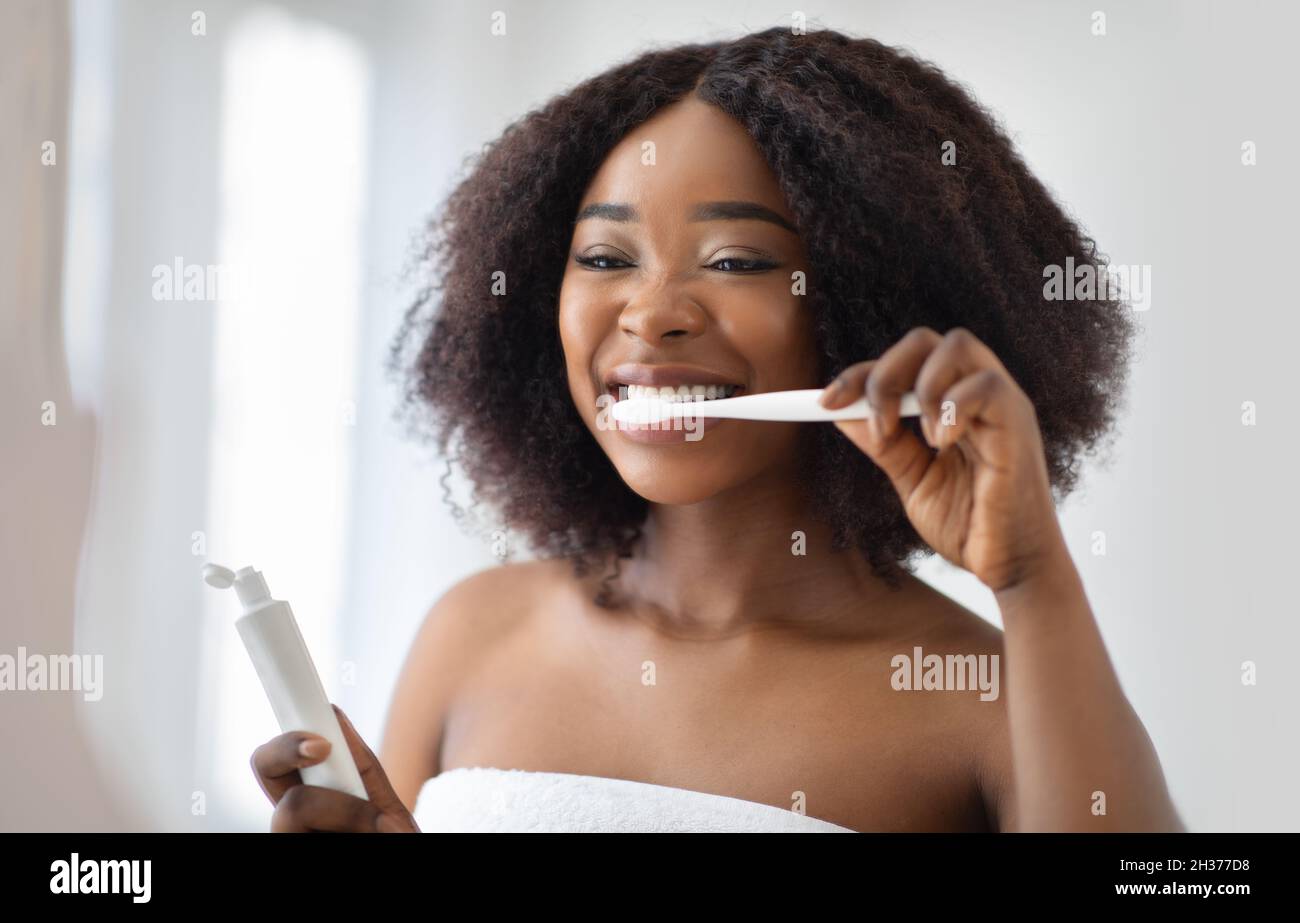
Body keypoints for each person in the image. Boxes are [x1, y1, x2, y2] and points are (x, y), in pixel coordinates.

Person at [251, 26, 1181, 832]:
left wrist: (1032, 577)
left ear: (872, 303)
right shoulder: (475, 632)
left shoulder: (979, 699)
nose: (651, 314)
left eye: (736, 259)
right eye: (606, 256)